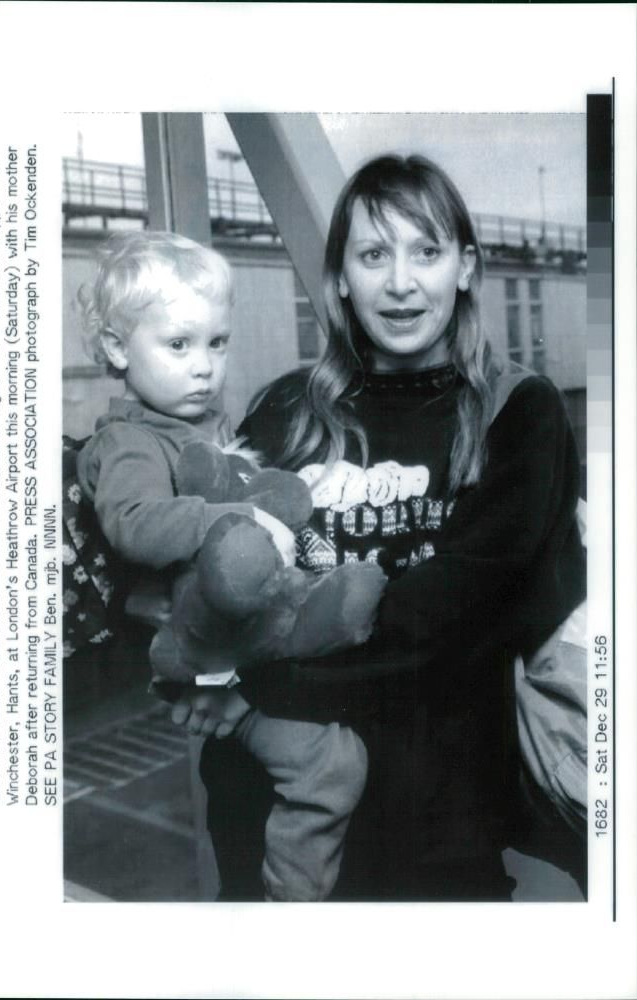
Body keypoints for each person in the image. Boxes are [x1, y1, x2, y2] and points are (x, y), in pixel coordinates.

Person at [175, 154, 586, 901]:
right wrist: (209, 679)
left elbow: (462, 611)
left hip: (436, 823)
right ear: (338, 277)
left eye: (425, 251)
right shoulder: (287, 410)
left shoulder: (516, 413)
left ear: (465, 267)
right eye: (373, 255)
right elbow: (208, 581)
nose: (400, 283)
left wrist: (263, 689)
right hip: (270, 816)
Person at [76, 230, 370, 902]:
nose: (204, 366)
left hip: (228, 638)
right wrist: (229, 523)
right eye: (178, 345)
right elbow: (136, 526)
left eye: (216, 343)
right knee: (327, 766)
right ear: (120, 350)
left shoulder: (197, 425)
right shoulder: (129, 440)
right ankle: (289, 904)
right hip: (198, 652)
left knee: (330, 753)